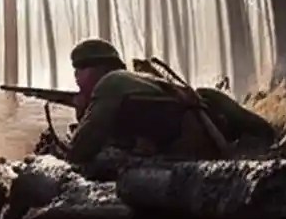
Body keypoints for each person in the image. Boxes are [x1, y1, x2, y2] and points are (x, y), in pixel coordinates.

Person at [66, 39, 229, 164]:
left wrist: (82, 114)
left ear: (99, 69)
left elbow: (79, 151)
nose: (76, 76)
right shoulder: (137, 81)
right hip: (205, 147)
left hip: (190, 155)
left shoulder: (111, 82)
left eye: (80, 69)